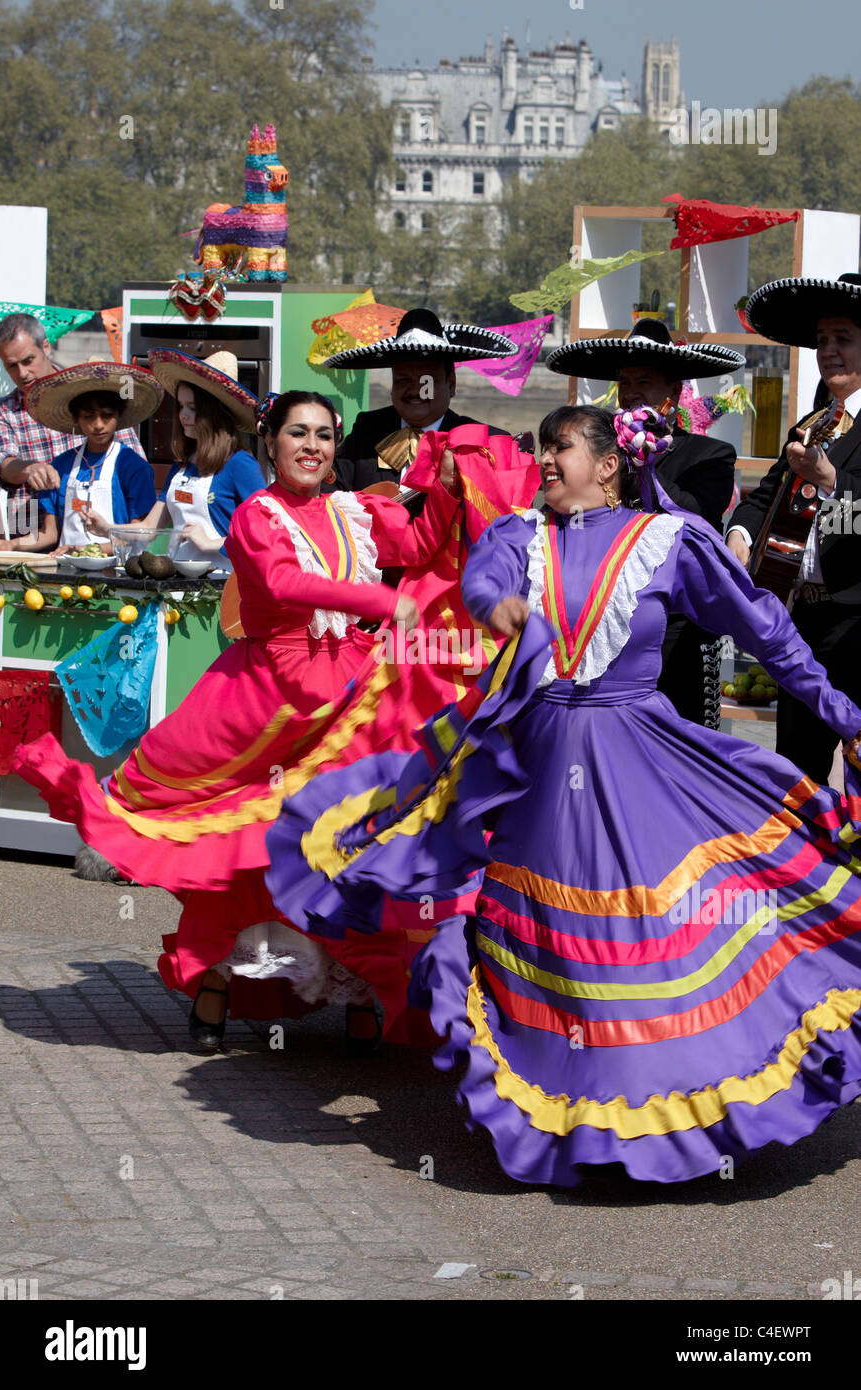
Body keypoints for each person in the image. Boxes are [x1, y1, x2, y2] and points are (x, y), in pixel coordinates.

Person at [266, 403, 861, 1188]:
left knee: (645, 939)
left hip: (638, 759)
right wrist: (493, 606)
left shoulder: (669, 541)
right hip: (539, 772)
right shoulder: (520, 536)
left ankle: (656, 1114)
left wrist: (844, 714)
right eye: (542, 448)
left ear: (608, 464)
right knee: (550, 942)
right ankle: (572, 1115)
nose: (545, 461)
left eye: (560, 448)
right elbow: (482, 580)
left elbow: (766, 632)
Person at [14, 389, 464, 1053]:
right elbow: (283, 586)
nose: (312, 446)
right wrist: (378, 598)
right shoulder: (258, 515)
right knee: (241, 849)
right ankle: (216, 980)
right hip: (269, 703)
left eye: (323, 436)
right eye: (298, 434)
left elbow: (423, 539)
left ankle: (359, 981)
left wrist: (449, 491)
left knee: (346, 843)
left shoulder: (354, 509)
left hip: (348, 696)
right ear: (272, 444)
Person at [546, 319, 745, 725]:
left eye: (645, 382)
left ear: (674, 392)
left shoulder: (711, 455)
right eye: (625, 381)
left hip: (677, 626)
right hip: (602, 618)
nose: (632, 392)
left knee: (683, 748)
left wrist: (644, 458)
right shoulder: (598, 454)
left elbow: (694, 520)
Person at [727, 273, 861, 785]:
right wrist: (739, 535)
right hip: (802, 623)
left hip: (857, 625)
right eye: (822, 340)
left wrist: (832, 479)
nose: (828, 350)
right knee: (795, 773)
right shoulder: (813, 423)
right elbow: (765, 497)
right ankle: (801, 864)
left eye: (842, 338)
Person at [327, 308, 515, 493]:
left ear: (451, 384)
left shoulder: (487, 443)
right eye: (403, 380)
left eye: (427, 380)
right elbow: (330, 491)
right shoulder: (367, 430)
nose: (415, 391)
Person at [0, 314, 144, 544]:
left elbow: (134, 465)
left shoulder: (87, 394)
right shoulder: (3, 410)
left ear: (46, 346)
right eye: (11, 365)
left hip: (104, 542)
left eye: (28, 360)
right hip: (32, 538)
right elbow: (3, 464)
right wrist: (28, 469)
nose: (22, 373)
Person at [132, 349, 267, 572]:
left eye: (192, 408)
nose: (183, 415)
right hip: (178, 585)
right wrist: (106, 528)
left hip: (222, 588)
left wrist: (210, 543)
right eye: (181, 406)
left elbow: (264, 535)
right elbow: (149, 527)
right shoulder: (181, 465)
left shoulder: (240, 464)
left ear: (215, 413)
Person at [10, 363, 161, 554]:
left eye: (107, 415)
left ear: (119, 415)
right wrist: (11, 545)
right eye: (89, 417)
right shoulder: (60, 466)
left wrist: (86, 550)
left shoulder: (134, 467)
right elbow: (49, 534)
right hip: (66, 569)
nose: (98, 425)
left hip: (120, 571)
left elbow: (139, 536)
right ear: (76, 419)